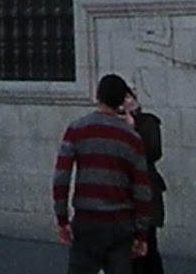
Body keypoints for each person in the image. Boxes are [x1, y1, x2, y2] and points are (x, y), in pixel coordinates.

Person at [53, 73, 152, 273]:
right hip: (121, 223)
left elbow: (61, 177)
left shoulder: (77, 129)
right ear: (121, 101)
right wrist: (142, 234)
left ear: (98, 96)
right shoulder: (132, 138)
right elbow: (142, 189)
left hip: (87, 220)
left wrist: (62, 220)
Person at [123, 88, 165, 274]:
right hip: (122, 195)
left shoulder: (148, 122)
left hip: (146, 193)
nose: (125, 102)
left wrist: (132, 130)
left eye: (128, 97)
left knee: (147, 248)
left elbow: (153, 152)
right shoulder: (112, 124)